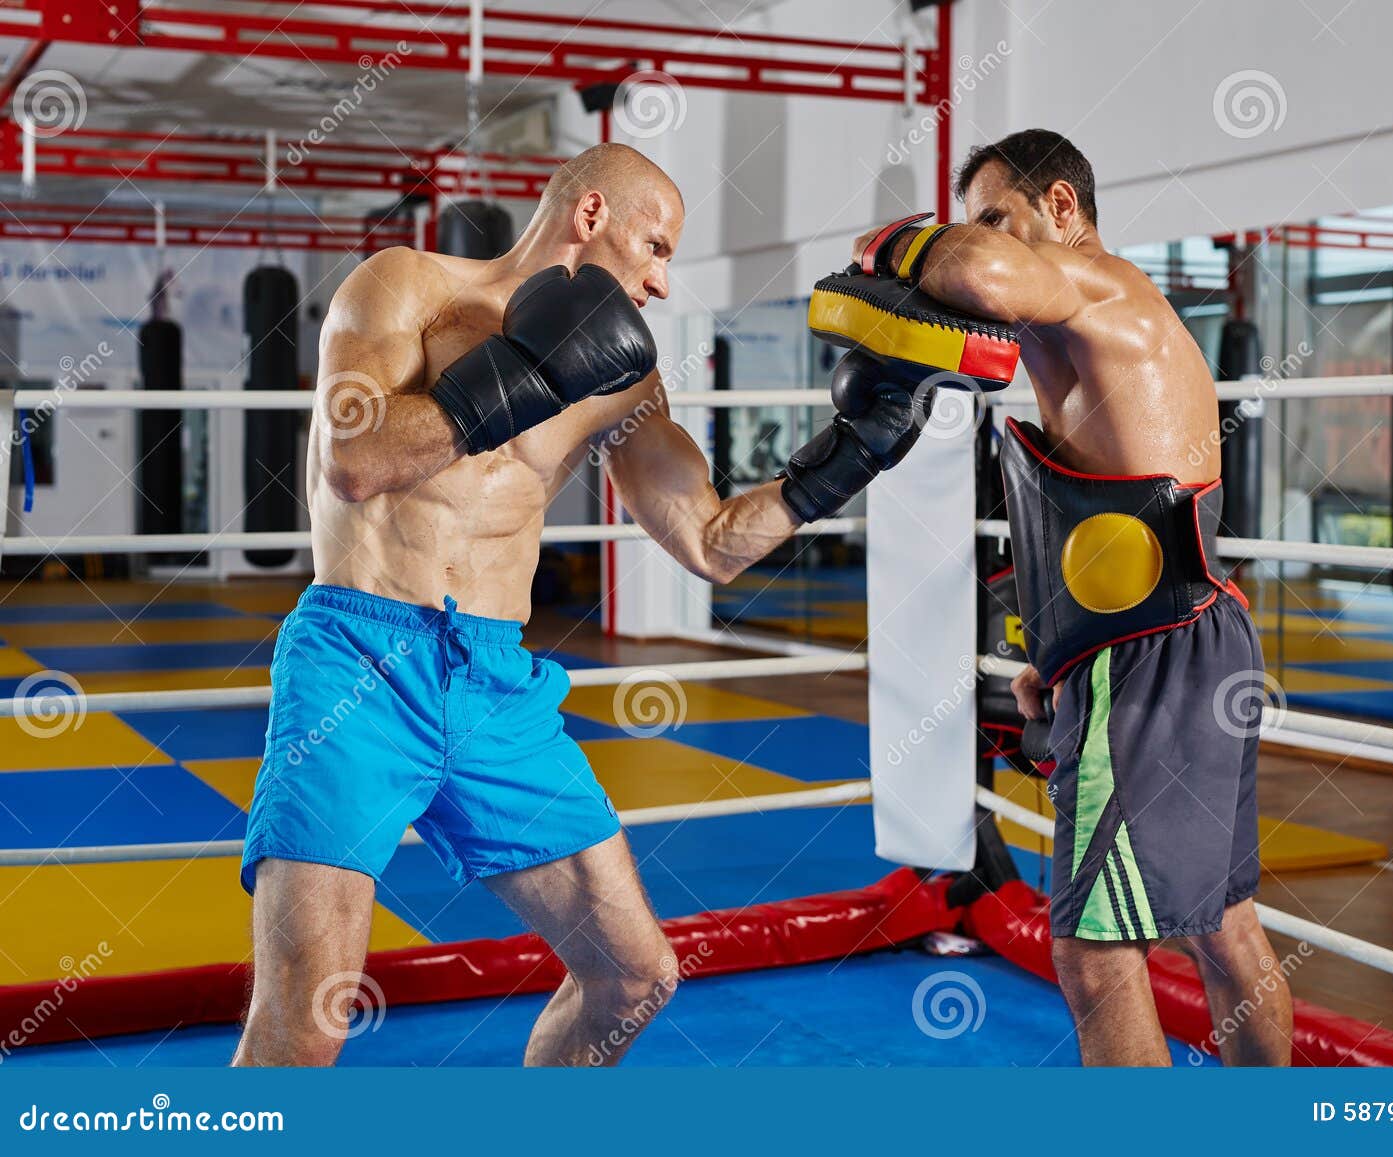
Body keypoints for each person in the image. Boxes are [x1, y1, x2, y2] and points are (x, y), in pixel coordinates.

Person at [235, 142, 932, 1067]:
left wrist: (845, 460)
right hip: (359, 663)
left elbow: (710, 542)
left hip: (495, 685)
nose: (661, 282)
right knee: (305, 1020)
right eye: (656, 247)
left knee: (632, 976)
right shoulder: (405, 284)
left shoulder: (626, 382)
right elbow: (355, 460)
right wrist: (531, 367)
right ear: (591, 214)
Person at [852, 128, 1291, 1066]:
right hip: (1159, 641)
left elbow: (986, 276)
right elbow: (1103, 507)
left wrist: (890, 244)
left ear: (1062, 208)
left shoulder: (1101, 284)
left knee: (1092, 955)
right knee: (1220, 925)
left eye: (999, 216)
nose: (986, 241)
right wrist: (1054, 658)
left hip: (1156, 655)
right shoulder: (1076, 328)